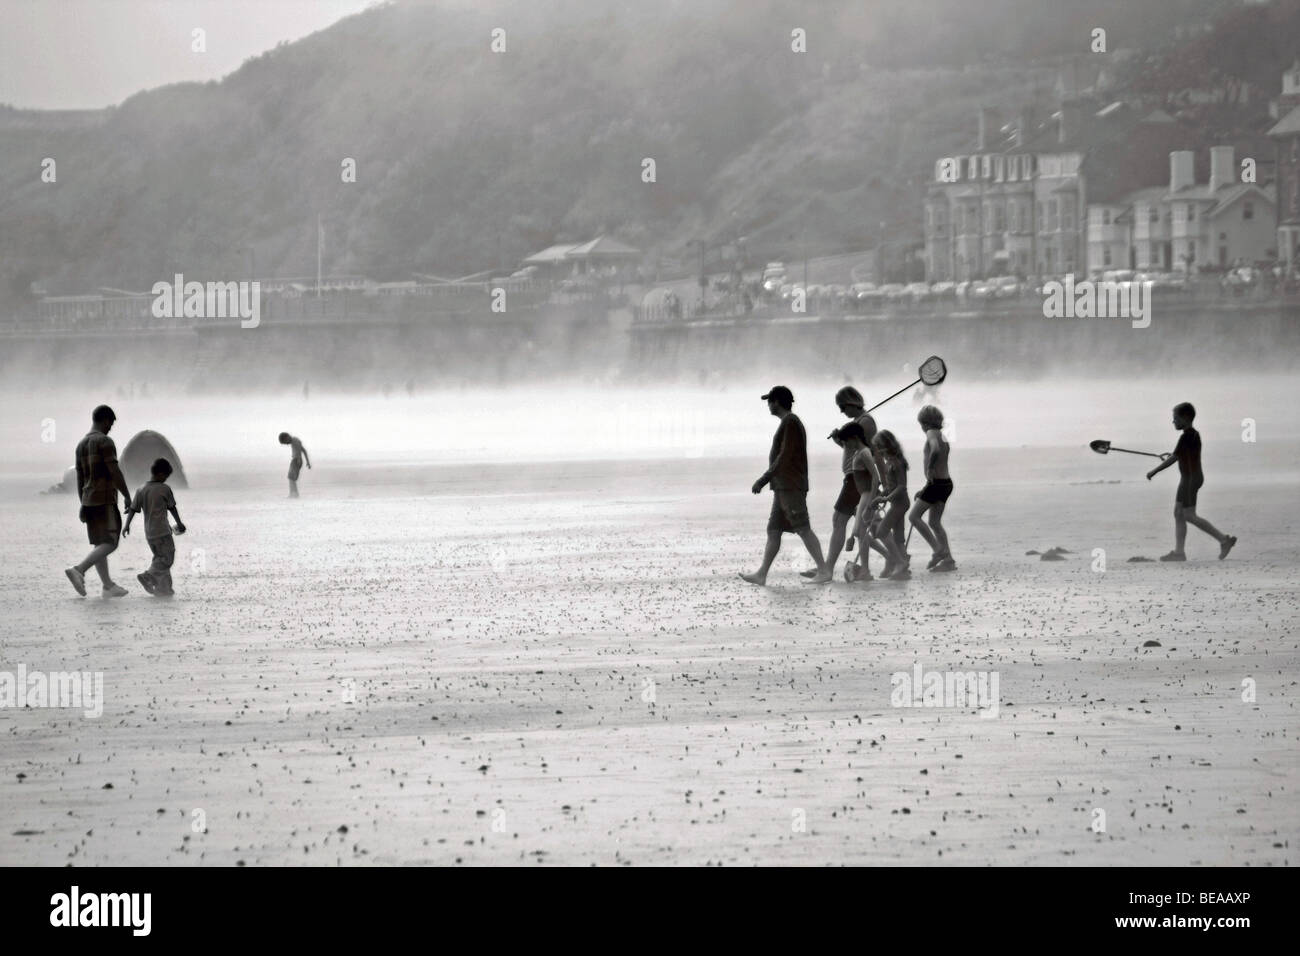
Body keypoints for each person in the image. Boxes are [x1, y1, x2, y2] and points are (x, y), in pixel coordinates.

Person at [740, 386, 831, 586]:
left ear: (777, 402)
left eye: (770, 401)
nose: (768, 405)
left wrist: (763, 479)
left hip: (790, 485)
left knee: (803, 527)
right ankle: (762, 574)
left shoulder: (790, 422)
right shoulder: (788, 422)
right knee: (773, 529)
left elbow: (785, 456)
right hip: (782, 486)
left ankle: (824, 570)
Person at [800, 386, 877, 581]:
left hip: (856, 478)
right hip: (853, 477)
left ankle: (826, 569)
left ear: (852, 403)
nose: (841, 411)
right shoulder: (858, 421)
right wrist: (839, 440)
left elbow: (866, 452)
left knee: (839, 520)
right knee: (859, 525)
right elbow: (852, 449)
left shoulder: (866, 422)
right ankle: (894, 558)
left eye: (843, 407)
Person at [1146, 402, 1236, 561]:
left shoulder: (1186, 436)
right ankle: (1179, 552)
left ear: (1186, 418)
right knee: (1178, 513)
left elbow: (1174, 458)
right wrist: (1175, 456)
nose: (1173, 421)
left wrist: (1154, 471)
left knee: (1189, 515)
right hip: (1188, 478)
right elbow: (1180, 455)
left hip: (1191, 479)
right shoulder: (1193, 435)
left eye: (1176, 418)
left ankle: (1224, 540)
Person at [65, 405, 132, 598]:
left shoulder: (81, 444)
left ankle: (108, 586)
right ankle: (79, 569)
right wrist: (127, 495)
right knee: (110, 542)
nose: (111, 427)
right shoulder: (104, 442)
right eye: (110, 423)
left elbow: (80, 478)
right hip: (104, 499)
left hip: (88, 500)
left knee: (99, 543)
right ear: (104, 420)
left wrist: (82, 503)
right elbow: (114, 471)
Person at [124, 458, 186, 596]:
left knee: (160, 558)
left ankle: (164, 588)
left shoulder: (141, 489)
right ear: (160, 474)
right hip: (163, 531)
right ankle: (148, 576)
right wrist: (179, 523)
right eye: (166, 476)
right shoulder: (164, 489)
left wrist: (126, 525)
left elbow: (133, 509)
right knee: (167, 557)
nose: (166, 479)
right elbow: (172, 508)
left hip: (149, 533)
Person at [908, 405, 956, 571]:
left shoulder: (931, 433)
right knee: (935, 523)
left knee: (913, 517)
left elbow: (934, 450)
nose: (921, 429)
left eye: (921, 425)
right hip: (945, 483)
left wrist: (929, 468)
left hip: (936, 484)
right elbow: (941, 464)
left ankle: (938, 550)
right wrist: (925, 487)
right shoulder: (943, 436)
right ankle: (948, 560)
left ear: (926, 423)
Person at [869, 429, 911, 579]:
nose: (878, 451)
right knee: (899, 536)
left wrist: (886, 498)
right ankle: (904, 568)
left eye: (880, 447)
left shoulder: (897, 463)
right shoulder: (889, 462)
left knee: (881, 531)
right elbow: (890, 486)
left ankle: (899, 562)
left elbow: (901, 486)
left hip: (900, 503)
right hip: (896, 503)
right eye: (877, 448)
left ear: (888, 445)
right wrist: (881, 495)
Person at [279, 432, 311, 497]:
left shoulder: (295, 441)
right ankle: (293, 493)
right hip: (297, 460)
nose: (287, 444)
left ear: (287, 437)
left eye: (286, 442)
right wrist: (308, 462)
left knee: (291, 478)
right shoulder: (295, 440)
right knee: (291, 477)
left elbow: (299, 452)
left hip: (296, 460)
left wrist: (299, 459)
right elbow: (304, 450)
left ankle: (294, 493)